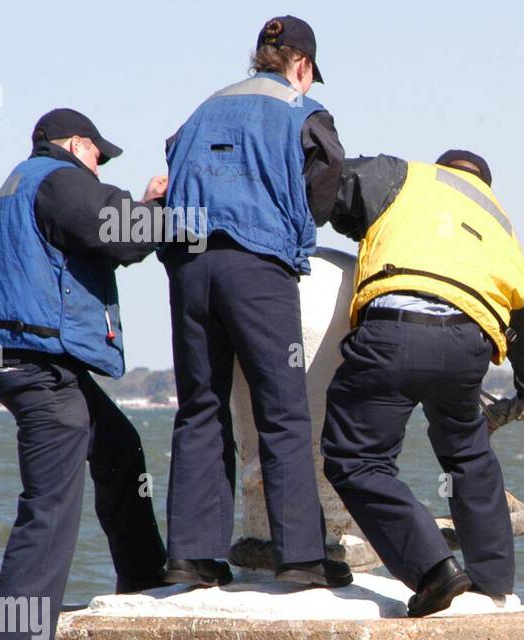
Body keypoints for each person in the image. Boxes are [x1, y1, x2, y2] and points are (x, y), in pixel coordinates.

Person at [0, 108, 170, 640]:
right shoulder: (57, 178)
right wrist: (155, 207)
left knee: (118, 447)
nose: (100, 167)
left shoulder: (16, 186)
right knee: (50, 507)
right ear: (76, 144)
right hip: (38, 364)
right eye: (98, 157)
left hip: (25, 360)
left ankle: (143, 579)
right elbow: (121, 236)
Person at [160, 15, 351, 588]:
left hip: (191, 265)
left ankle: (191, 558)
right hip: (256, 263)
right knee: (284, 410)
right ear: (302, 66)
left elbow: (173, 158)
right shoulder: (299, 108)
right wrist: (299, 227)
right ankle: (302, 559)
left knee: (200, 407)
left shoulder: (203, 107)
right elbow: (329, 170)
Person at [322, 149, 524, 617]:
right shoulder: (500, 227)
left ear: (442, 167)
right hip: (466, 346)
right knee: (468, 452)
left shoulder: (405, 178)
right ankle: (493, 585)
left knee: (357, 458)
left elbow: (326, 184)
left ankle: (433, 570)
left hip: (395, 331)